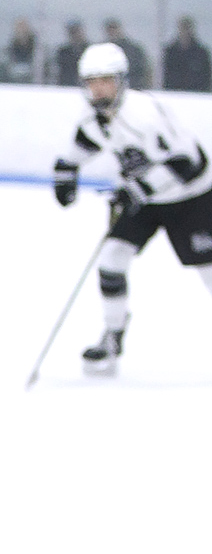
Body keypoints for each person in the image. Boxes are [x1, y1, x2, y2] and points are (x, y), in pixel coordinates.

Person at [52, 42, 212, 373]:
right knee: (111, 261)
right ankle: (112, 336)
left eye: (106, 80)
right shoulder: (95, 119)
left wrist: (138, 188)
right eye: (91, 81)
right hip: (145, 199)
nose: (98, 88)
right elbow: (79, 149)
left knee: (208, 270)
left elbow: (189, 164)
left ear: (122, 80)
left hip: (192, 199)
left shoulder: (145, 113)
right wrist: (65, 175)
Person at [162, 16, 212, 93]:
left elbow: (206, 75)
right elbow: (165, 74)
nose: (185, 31)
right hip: (173, 94)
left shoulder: (201, 53)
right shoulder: (170, 52)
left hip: (197, 94)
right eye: (183, 28)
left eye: (187, 28)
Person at [102, 18, 151, 90]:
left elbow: (144, 72)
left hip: (133, 89)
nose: (112, 32)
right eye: (110, 29)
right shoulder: (101, 51)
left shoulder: (134, 50)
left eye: (114, 29)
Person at [0, 17, 36, 84]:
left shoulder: (38, 51)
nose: (21, 30)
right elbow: (3, 70)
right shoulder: (8, 51)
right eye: (18, 27)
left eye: (23, 27)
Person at [49, 19, 88, 87]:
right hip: (67, 87)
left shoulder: (89, 50)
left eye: (77, 31)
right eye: (72, 32)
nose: (75, 35)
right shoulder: (63, 52)